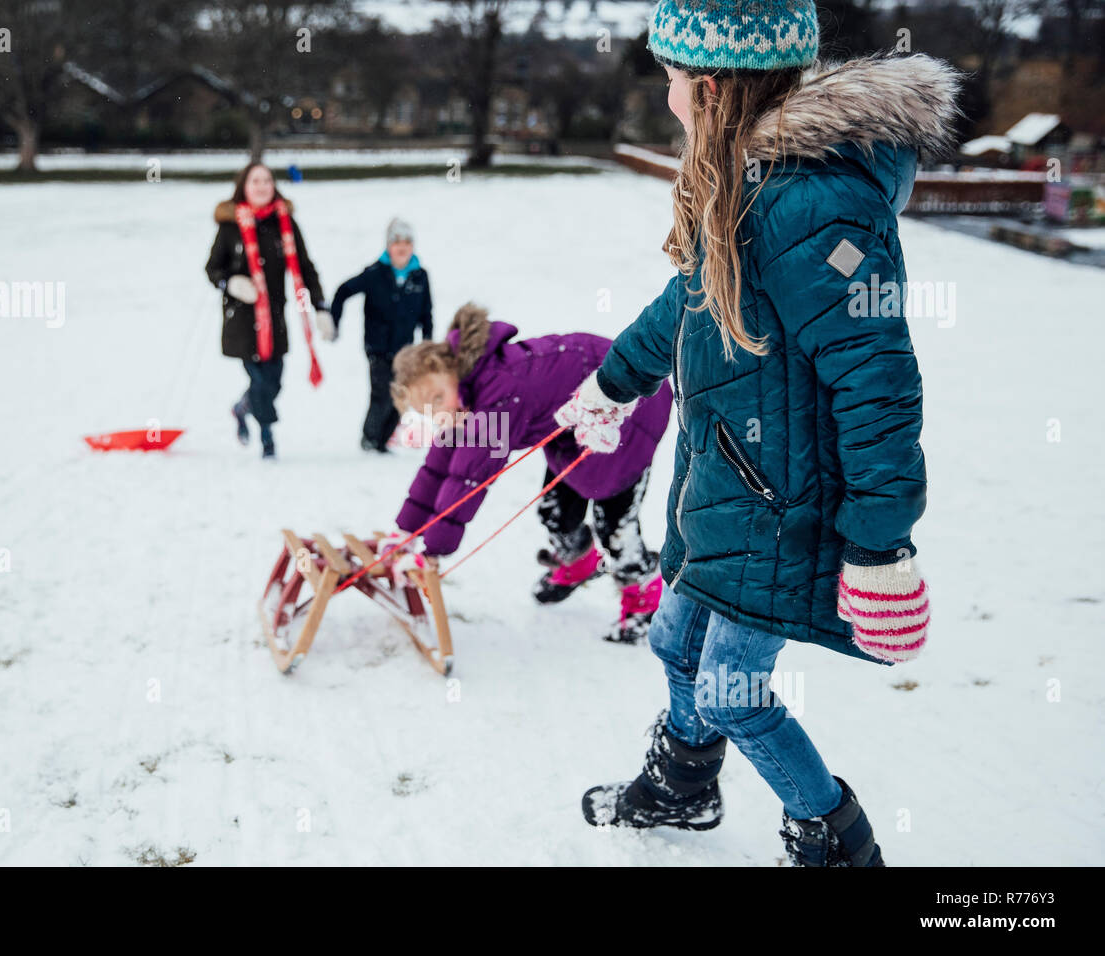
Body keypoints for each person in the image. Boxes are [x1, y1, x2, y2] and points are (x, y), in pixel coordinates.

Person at [555, 0, 957, 865]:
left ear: (707, 88)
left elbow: (877, 382)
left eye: (669, 81)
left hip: (787, 508)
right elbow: (687, 304)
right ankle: (683, 786)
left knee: (734, 691)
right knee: (672, 641)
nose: (664, 99)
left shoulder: (813, 205)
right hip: (728, 491)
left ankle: (834, 843)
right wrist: (612, 384)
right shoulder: (747, 180)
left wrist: (881, 549)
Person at [387, 303, 672, 643]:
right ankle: (580, 561)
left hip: (628, 407)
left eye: (437, 396)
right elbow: (440, 466)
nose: (438, 410)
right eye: (427, 409)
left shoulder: (498, 393)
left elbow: (469, 478)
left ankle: (644, 598)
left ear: (450, 367)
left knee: (613, 525)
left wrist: (433, 550)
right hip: (574, 422)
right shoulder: (466, 395)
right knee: (554, 512)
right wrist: (406, 530)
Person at [205, 163, 331, 460]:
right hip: (242, 321)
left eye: (267, 181)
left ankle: (242, 408)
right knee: (260, 382)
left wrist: (320, 306)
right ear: (244, 187)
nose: (262, 186)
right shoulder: (229, 226)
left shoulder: (284, 223)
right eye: (255, 181)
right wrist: (230, 283)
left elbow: (305, 267)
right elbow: (212, 269)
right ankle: (267, 439)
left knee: (274, 381)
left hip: (275, 320)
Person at [324, 217, 433, 453]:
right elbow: (344, 291)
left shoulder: (420, 277)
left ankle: (382, 441)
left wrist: (427, 344)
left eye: (406, 242)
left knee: (401, 397)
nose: (401, 247)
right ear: (388, 246)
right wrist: (334, 321)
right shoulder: (375, 273)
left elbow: (426, 314)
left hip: (405, 350)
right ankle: (369, 438)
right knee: (382, 393)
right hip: (378, 347)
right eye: (396, 242)